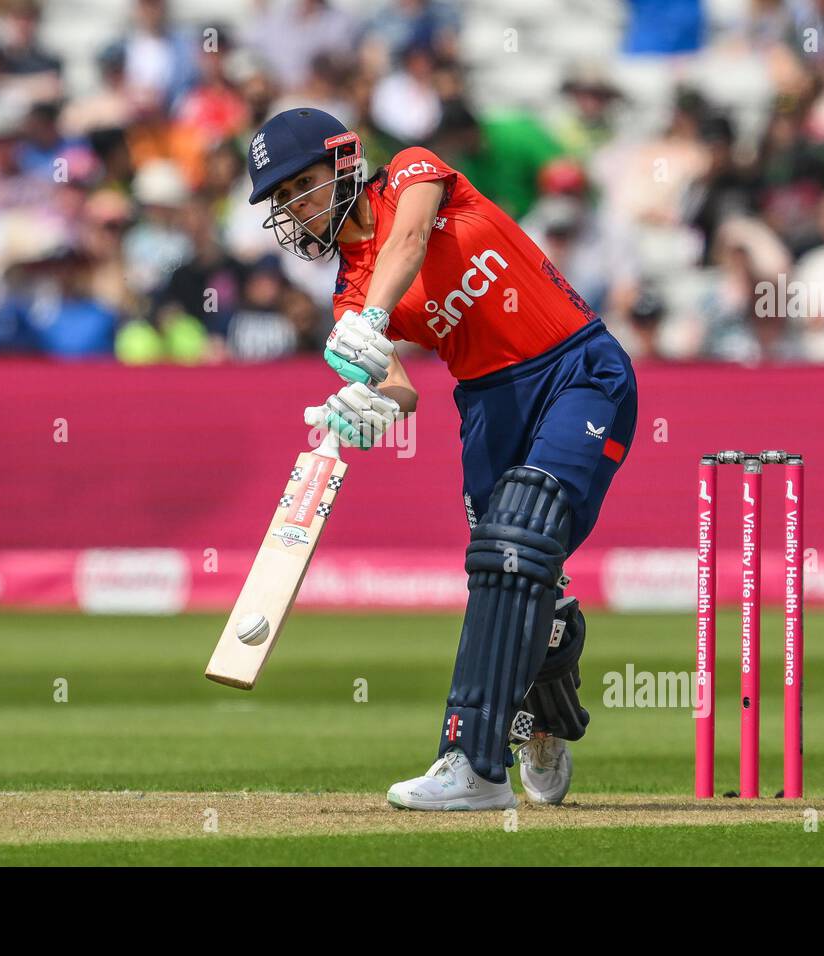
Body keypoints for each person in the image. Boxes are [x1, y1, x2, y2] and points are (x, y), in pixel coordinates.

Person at [246, 107, 638, 810]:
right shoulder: (347, 293)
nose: (296, 209)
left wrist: (370, 319)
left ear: (344, 163)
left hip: (577, 367)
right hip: (488, 406)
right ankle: (546, 707)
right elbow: (398, 387)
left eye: (301, 185)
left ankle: (472, 764)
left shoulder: (413, 173)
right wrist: (365, 408)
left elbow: (411, 239)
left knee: (518, 538)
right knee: (507, 566)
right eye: (282, 200)